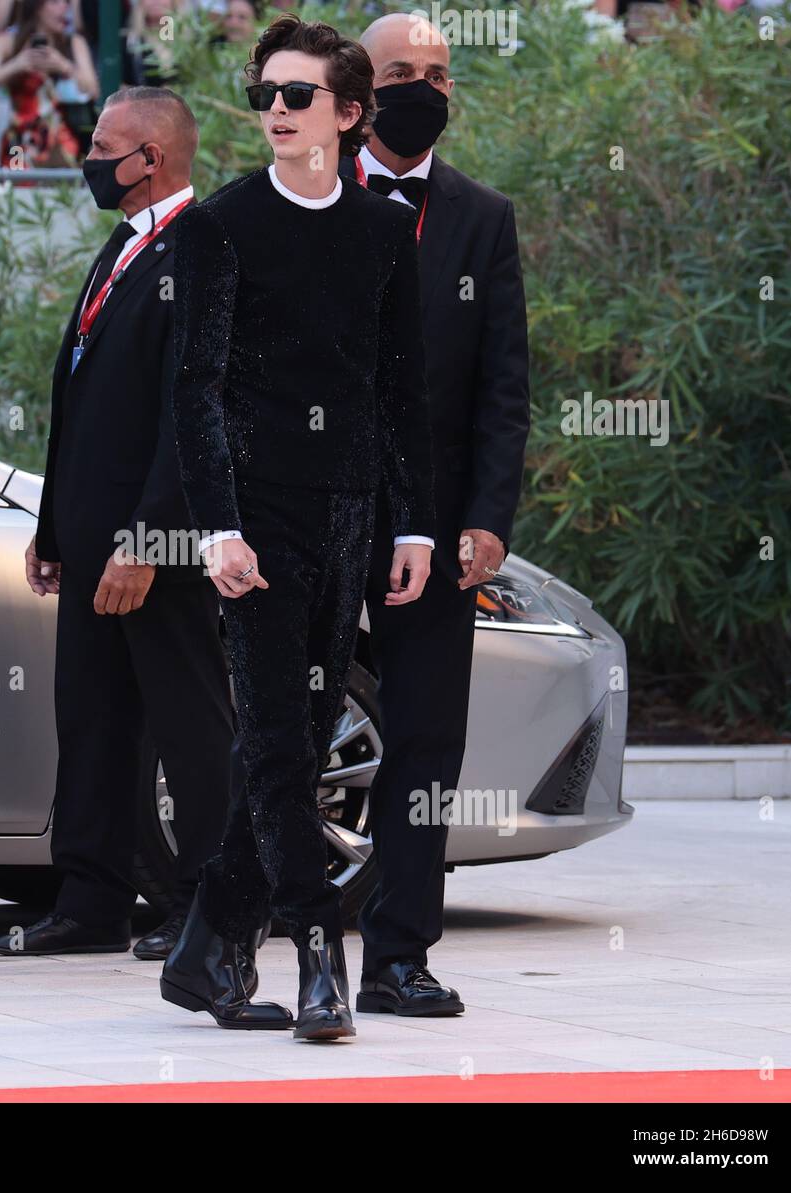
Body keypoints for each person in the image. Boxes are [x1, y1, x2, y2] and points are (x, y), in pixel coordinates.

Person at [161, 14, 435, 1041]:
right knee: (278, 740)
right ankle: (320, 951)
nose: (273, 110)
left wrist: (414, 527)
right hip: (259, 519)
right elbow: (192, 392)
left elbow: (403, 388)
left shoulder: (380, 231)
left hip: (355, 508)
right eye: (263, 92)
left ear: (348, 113)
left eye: (296, 94)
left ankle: (202, 949)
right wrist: (216, 527)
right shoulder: (221, 226)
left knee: (300, 741)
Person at [0, 86, 234, 963]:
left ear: (153, 159)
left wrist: (144, 537)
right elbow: (82, 400)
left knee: (189, 723)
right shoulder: (123, 245)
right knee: (93, 720)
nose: (89, 157)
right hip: (95, 540)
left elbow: (193, 417)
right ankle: (91, 898)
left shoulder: (204, 250)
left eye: (103, 145)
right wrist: (57, 527)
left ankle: (211, 902)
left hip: (156, 546)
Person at [333, 12, 530, 1018]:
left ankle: (399, 955)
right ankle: (249, 940)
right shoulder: (300, 199)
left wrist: (489, 518)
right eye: (401, 71)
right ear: (359, 90)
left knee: (422, 746)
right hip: (315, 519)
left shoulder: (480, 217)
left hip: (441, 528)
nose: (425, 87)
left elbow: (504, 384)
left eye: (439, 73)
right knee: (277, 732)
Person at [0, 0, 98, 168]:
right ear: (37, 7)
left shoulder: (74, 43)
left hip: (63, 140)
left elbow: (93, 90)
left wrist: (64, 66)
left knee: (61, 191)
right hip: (18, 141)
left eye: (67, 2)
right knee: (17, 188)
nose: (64, 8)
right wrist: (17, 64)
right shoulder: (9, 41)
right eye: (55, 2)